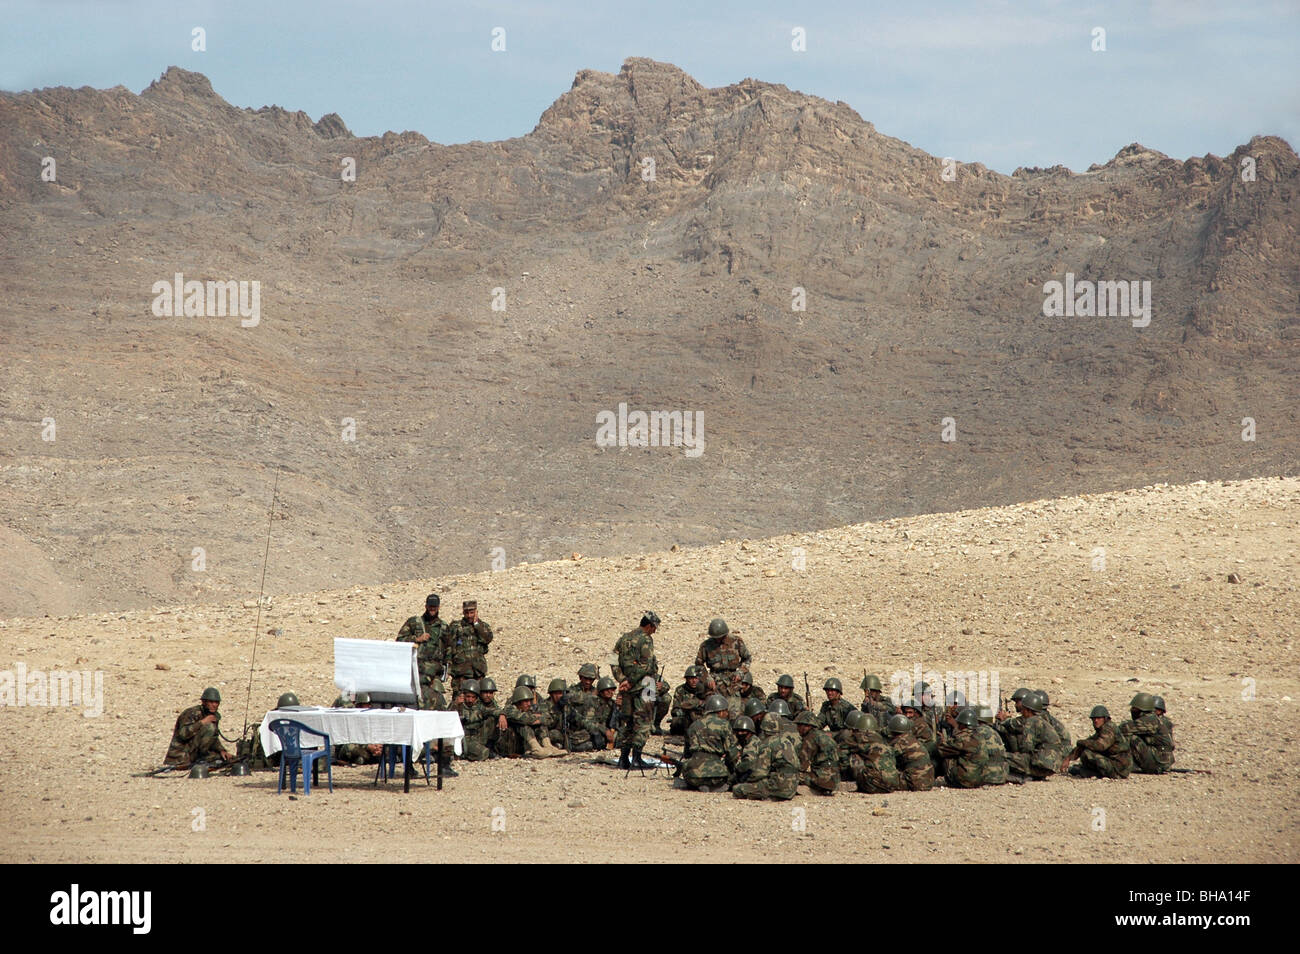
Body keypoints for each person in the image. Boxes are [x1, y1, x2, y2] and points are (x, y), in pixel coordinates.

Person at [612, 610, 660, 770]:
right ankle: (637, 758)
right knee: (644, 722)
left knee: (628, 722)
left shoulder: (624, 638)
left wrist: (622, 680)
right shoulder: (646, 639)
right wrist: (631, 681)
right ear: (649, 625)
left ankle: (623, 758)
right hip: (646, 685)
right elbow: (646, 665)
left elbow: (613, 660)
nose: (655, 631)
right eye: (654, 627)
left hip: (627, 687)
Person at [732, 712, 800, 801]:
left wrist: (748, 780)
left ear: (763, 727)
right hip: (793, 786)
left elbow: (760, 773)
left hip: (779, 786)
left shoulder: (766, 744)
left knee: (738, 789)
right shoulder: (787, 741)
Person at [397, 593, 450, 706]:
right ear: (426, 606)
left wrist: (447, 669)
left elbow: (448, 649)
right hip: (416, 672)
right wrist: (416, 639)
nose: (432, 609)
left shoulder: (443, 627)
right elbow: (399, 641)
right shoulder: (414, 622)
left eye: (434, 607)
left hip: (434, 675)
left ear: (439, 607)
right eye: (430, 606)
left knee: (436, 705)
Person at [164, 687, 235, 766]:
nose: (214, 705)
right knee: (209, 727)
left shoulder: (213, 715)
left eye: (216, 702)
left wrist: (222, 750)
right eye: (211, 702)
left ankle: (204, 757)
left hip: (194, 752)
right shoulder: (191, 713)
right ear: (204, 702)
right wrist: (202, 722)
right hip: (180, 755)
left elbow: (213, 737)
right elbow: (183, 734)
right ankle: (201, 758)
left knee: (226, 758)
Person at [681, 695, 738, 791]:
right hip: (717, 775)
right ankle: (715, 786)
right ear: (720, 712)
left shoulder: (694, 725)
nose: (727, 714)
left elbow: (687, 754)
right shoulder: (724, 724)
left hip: (693, 775)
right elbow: (732, 753)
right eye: (726, 711)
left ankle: (699, 785)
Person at [936, 708, 1005, 788]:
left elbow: (940, 749)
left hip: (966, 780)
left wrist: (940, 739)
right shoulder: (980, 735)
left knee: (947, 756)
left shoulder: (964, 737)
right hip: (982, 778)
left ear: (962, 725)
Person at [1005, 691, 1063, 781]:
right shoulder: (1040, 720)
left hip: (1042, 764)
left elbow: (1027, 747)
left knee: (1005, 757)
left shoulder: (1031, 721)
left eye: (1023, 709)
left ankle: (1020, 776)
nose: (1021, 712)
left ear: (1028, 710)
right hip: (1052, 764)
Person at [1066, 705, 1132, 779]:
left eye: (1099, 718)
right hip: (1116, 765)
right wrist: (1068, 758)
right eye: (1094, 719)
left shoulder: (1108, 728)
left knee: (1088, 753)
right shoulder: (1101, 730)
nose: (1096, 721)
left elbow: (1100, 746)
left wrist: (1081, 742)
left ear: (1105, 718)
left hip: (1119, 768)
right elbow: (1089, 742)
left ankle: (1094, 773)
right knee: (1086, 750)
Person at [497, 687, 563, 759]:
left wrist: (538, 719)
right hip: (509, 746)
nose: (529, 704)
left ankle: (548, 746)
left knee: (540, 725)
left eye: (529, 701)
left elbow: (548, 718)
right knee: (523, 725)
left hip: (520, 743)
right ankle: (535, 749)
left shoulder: (527, 709)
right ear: (518, 702)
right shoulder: (510, 710)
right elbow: (526, 719)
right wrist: (536, 718)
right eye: (526, 701)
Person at [442, 600, 493, 692]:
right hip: (461, 673)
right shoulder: (456, 627)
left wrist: (477, 624)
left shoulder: (483, 626)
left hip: (478, 672)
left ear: (476, 612)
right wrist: (448, 667)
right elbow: (448, 646)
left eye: (472, 612)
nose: (469, 615)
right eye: (466, 613)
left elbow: (487, 639)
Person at [694, 618, 752, 696]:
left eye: (721, 637)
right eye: (715, 638)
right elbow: (698, 664)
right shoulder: (706, 645)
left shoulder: (736, 641)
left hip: (734, 679)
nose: (718, 640)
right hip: (714, 680)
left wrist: (741, 672)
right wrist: (707, 678)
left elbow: (747, 658)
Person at [1119, 693, 1175, 774]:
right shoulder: (1151, 719)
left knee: (1131, 738)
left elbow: (1124, 729)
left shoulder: (1150, 720)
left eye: (1134, 709)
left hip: (1159, 762)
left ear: (1142, 709)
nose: (1132, 710)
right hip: (1160, 759)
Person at [850, 713, 902, 794]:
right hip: (894, 784)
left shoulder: (859, 738)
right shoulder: (882, 739)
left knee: (854, 756)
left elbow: (843, 751)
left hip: (874, 784)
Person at [884, 714, 934, 791]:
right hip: (928, 781)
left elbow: (885, 756)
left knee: (883, 778)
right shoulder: (911, 739)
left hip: (915, 783)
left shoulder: (899, 742)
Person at [795, 710, 839, 795]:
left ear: (807, 726)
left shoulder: (810, 739)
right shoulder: (822, 735)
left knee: (792, 775)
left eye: (799, 725)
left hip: (823, 780)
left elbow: (801, 766)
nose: (797, 729)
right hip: (835, 778)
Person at [670, 666, 710, 735]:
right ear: (686, 679)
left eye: (696, 678)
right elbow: (675, 709)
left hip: (702, 717)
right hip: (686, 718)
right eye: (691, 678)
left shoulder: (705, 690)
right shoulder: (680, 690)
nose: (694, 681)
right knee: (675, 723)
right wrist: (683, 710)